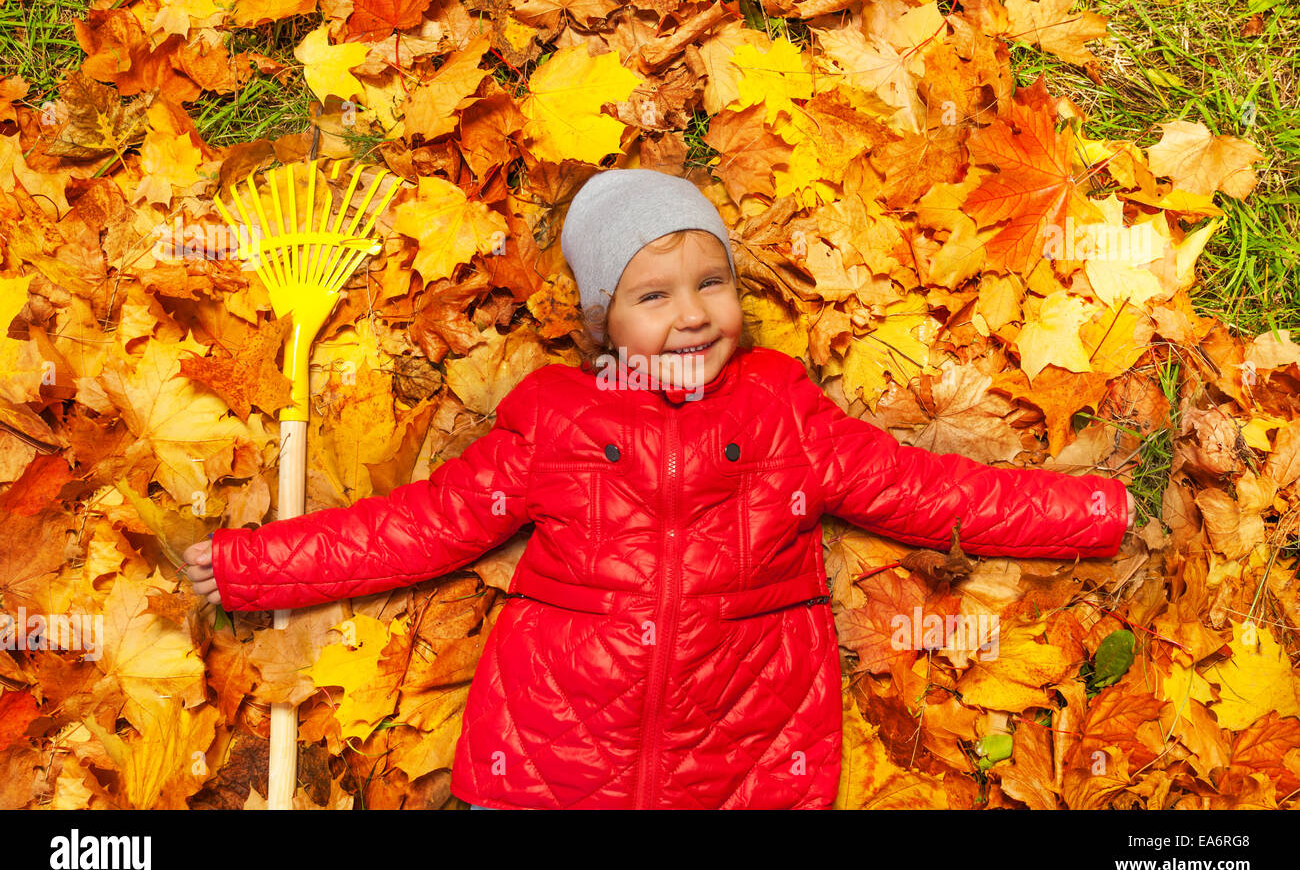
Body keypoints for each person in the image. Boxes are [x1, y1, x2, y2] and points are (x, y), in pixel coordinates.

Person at [182, 167, 1136, 810]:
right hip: (551, 755)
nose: (692, 314)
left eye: (710, 284)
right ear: (603, 325)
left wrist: (1094, 512)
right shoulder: (556, 419)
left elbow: (932, 493)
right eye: (654, 294)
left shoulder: (782, 412)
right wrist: (252, 566)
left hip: (748, 755)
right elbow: (423, 526)